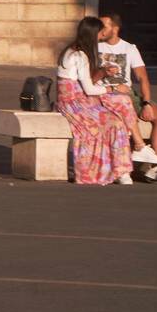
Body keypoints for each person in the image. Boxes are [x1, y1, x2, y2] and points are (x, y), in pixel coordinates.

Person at [55, 16, 133, 186]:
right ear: (93, 34)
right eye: (100, 32)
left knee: (114, 113)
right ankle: (120, 170)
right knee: (115, 122)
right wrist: (113, 89)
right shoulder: (80, 55)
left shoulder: (70, 50)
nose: (102, 35)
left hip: (70, 100)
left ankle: (120, 167)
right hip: (76, 103)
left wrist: (102, 74)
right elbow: (89, 89)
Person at [100, 13, 157, 183]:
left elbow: (142, 78)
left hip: (128, 94)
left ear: (115, 28)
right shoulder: (96, 47)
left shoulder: (129, 48)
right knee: (127, 118)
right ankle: (124, 167)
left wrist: (146, 103)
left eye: (104, 26)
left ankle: (154, 167)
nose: (100, 30)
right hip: (106, 93)